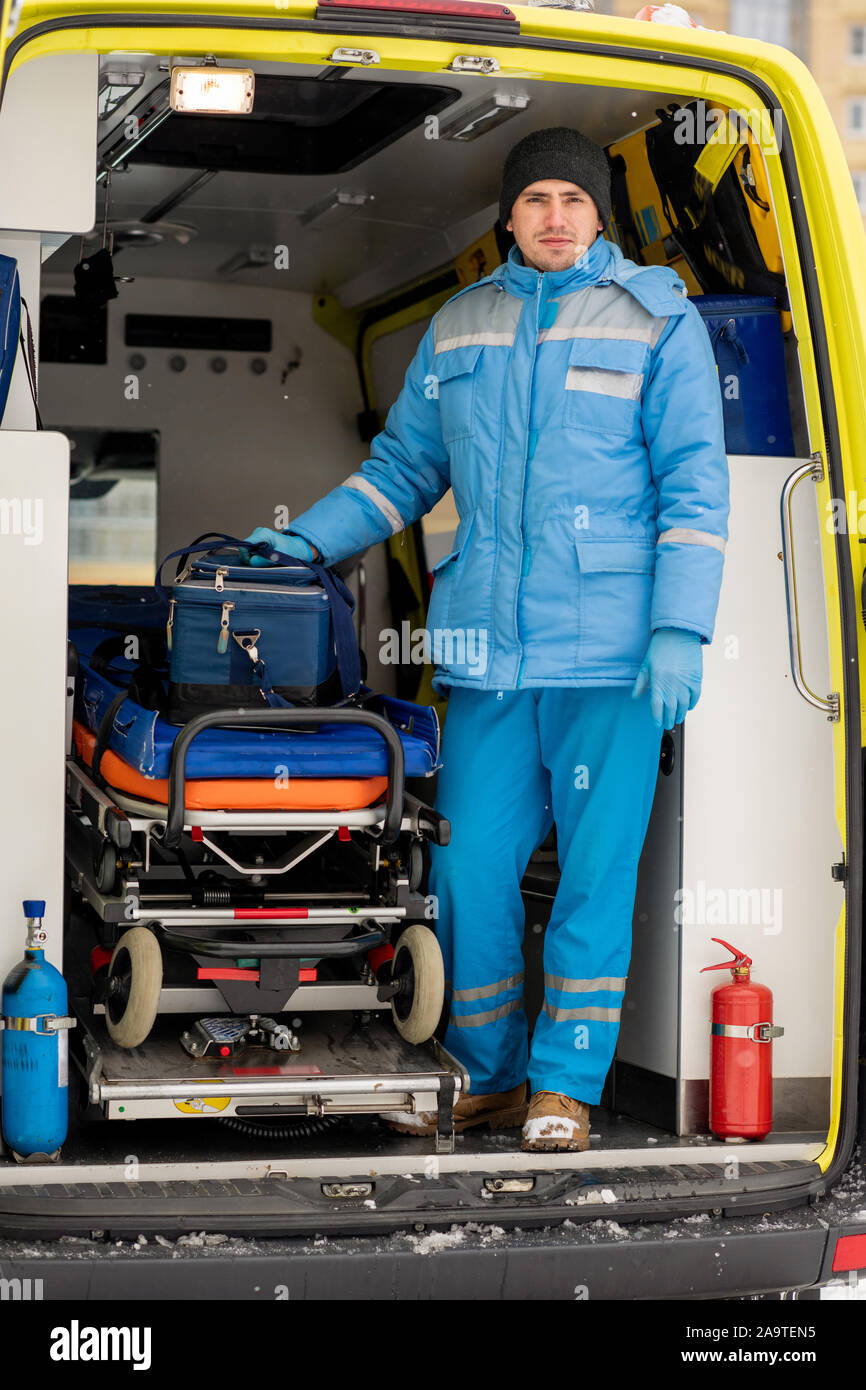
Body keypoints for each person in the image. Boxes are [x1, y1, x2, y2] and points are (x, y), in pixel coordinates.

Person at [244, 126, 730, 1152]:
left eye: (573, 199)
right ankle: (488, 1069)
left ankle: (564, 1085)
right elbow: (399, 474)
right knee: (465, 868)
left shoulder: (654, 321)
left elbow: (694, 485)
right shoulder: (459, 326)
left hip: (609, 662)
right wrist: (301, 543)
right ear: (507, 217)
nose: (554, 216)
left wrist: (679, 627)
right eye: (536, 199)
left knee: (596, 876)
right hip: (487, 658)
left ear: (598, 215)